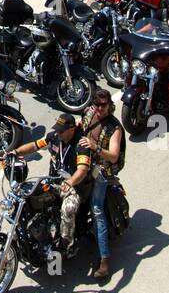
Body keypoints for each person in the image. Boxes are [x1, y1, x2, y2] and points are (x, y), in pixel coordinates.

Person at [10, 115, 92, 254]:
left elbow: (82, 170)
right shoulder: (53, 137)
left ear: (71, 129)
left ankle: (67, 244)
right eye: (57, 130)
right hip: (54, 182)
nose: (58, 133)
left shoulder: (81, 144)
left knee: (68, 209)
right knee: (28, 197)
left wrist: (70, 182)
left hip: (75, 187)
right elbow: (34, 145)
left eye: (61, 131)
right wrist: (15, 152)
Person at [81, 89, 124, 279]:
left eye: (103, 105)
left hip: (101, 169)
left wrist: (95, 147)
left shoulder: (115, 128)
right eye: (97, 104)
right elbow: (81, 125)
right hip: (82, 160)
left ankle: (105, 260)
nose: (100, 108)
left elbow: (113, 156)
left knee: (96, 209)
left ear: (109, 105)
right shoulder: (89, 112)